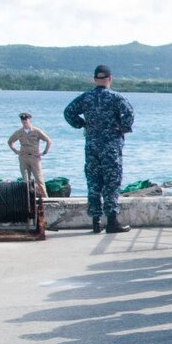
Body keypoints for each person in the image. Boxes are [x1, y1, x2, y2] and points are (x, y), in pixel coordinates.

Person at [62, 65, 135, 233]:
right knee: (112, 182)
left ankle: (96, 221)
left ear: (95, 79)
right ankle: (112, 221)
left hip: (92, 145)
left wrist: (82, 124)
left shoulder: (86, 97)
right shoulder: (115, 97)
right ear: (110, 79)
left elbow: (68, 113)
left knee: (94, 182)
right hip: (111, 146)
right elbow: (129, 114)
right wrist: (122, 128)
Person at [6, 113, 51, 199]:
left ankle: (45, 198)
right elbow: (10, 142)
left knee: (39, 179)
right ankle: (28, 199)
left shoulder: (36, 131)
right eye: (23, 120)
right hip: (23, 157)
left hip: (34, 157)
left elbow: (48, 141)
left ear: (29, 120)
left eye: (26, 120)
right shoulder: (19, 132)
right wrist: (15, 151)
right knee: (26, 180)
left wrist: (44, 152)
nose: (24, 122)